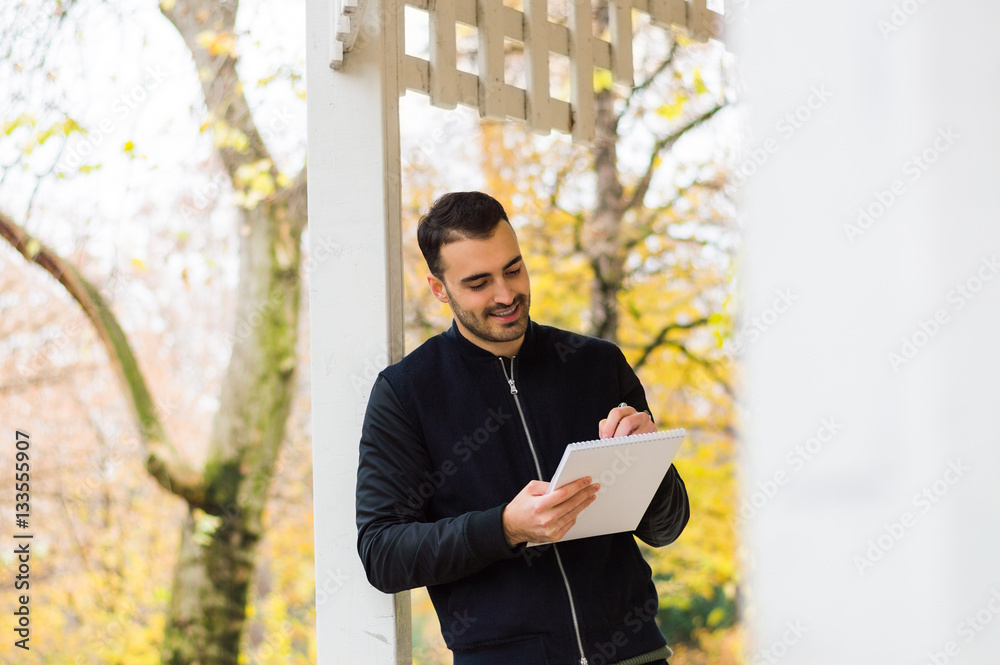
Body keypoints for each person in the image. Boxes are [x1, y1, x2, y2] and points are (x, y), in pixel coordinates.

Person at [356, 191, 690, 665]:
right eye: (478, 282)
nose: (506, 294)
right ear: (439, 288)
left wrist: (649, 464)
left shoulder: (596, 365)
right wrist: (504, 528)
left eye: (513, 269)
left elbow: (667, 527)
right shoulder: (406, 393)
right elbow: (382, 552)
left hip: (636, 654)